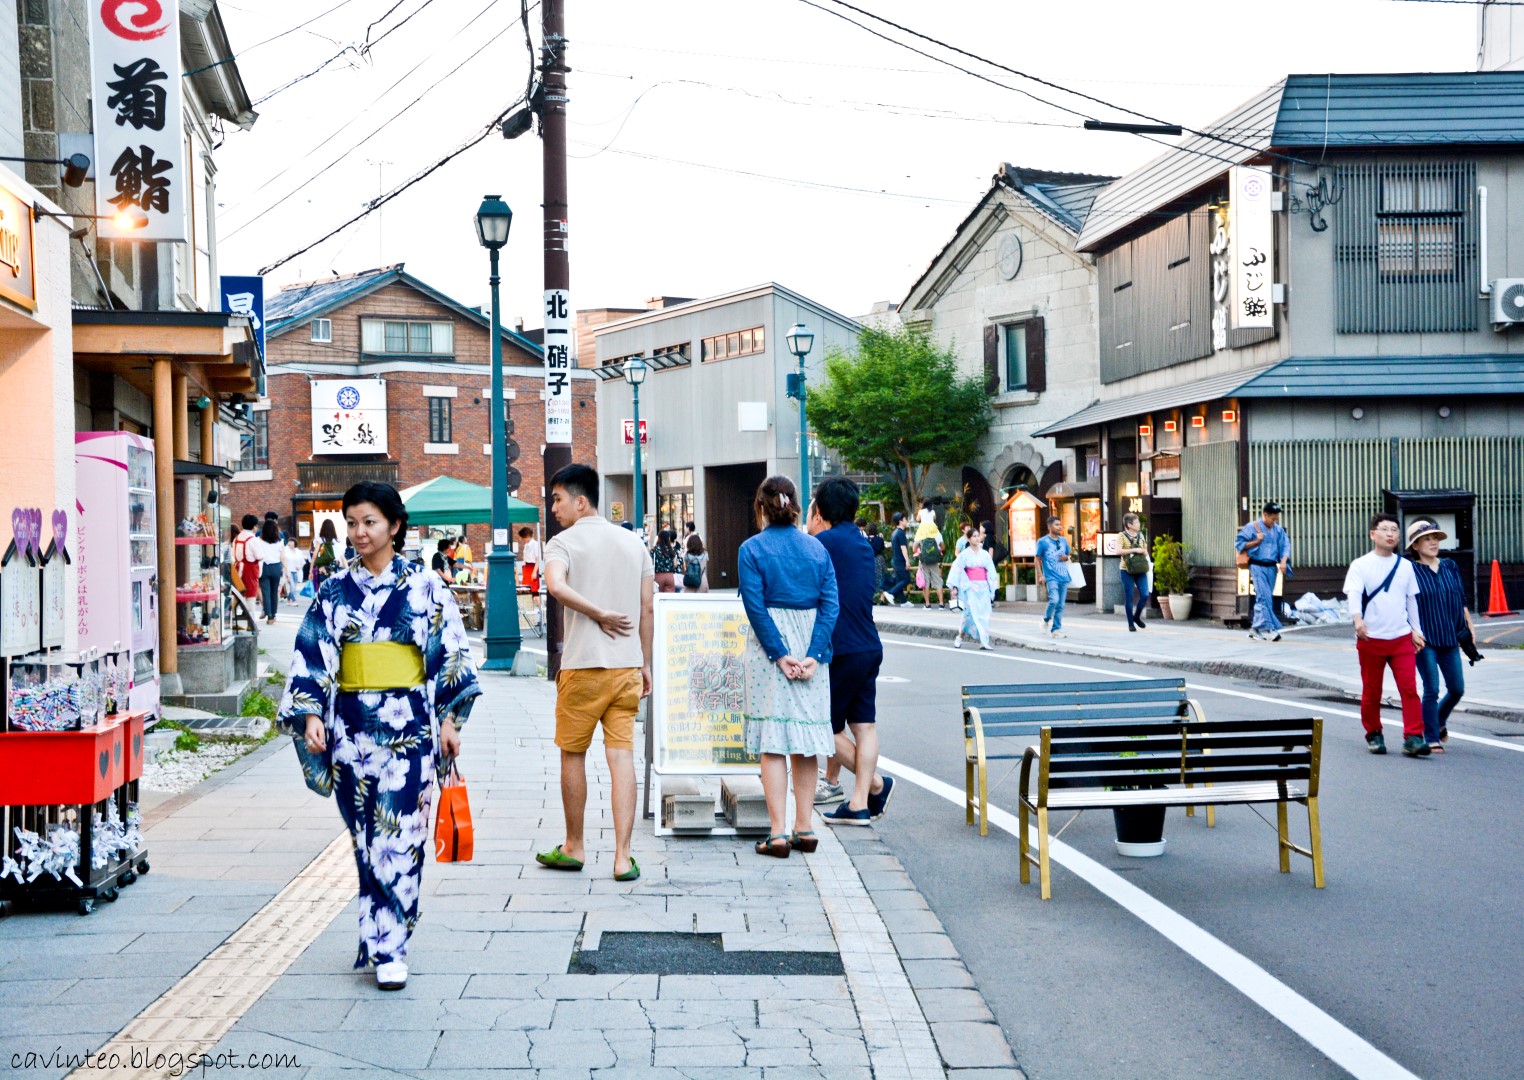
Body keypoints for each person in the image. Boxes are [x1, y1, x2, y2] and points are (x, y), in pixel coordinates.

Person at [277, 481, 480, 991]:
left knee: (401, 835)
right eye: (351, 522)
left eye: (369, 521)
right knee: (366, 839)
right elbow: (312, 654)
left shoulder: (427, 587)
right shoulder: (332, 591)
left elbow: (450, 655)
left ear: (394, 525)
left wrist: (450, 721)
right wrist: (310, 716)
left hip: (407, 731)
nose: (359, 532)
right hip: (349, 730)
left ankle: (390, 946)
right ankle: (381, 934)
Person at [538, 464, 652, 882]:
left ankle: (574, 846)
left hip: (583, 666)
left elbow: (555, 587)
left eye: (558, 499)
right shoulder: (633, 543)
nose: (554, 509)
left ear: (580, 501)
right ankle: (623, 858)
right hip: (625, 668)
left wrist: (596, 612)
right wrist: (646, 664)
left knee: (573, 754)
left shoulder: (561, 544)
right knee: (621, 756)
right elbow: (647, 608)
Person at [738, 475, 838, 858]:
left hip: (771, 650)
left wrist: (780, 654)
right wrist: (814, 653)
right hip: (812, 643)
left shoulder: (751, 549)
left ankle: (777, 832)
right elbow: (831, 604)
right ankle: (806, 827)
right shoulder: (817, 550)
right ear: (797, 505)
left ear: (761, 507)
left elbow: (755, 605)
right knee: (807, 740)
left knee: (773, 742)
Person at [807, 478, 893, 825]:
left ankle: (873, 784)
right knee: (864, 727)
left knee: (821, 726)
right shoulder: (861, 543)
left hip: (839, 648)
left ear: (822, 509)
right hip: (869, 645)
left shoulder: (821, 543)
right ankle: (859, 802)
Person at [1344, 513, 1427, 758]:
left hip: (1401, 637)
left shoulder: (1405, 566)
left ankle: (1413, 737)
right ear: (1373, 534)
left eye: (1394, 530)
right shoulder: (1361, 565)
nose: (1391, 534)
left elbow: (1411, 599)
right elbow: (1354, 594)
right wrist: (1357, 620)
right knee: (1372, 690)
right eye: (1385, 529)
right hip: (1371, 638)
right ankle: (1374, 733)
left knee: (1409, 687)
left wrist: (1416, 629)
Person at [1406, 518, 1473, 753]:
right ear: (1415, 545)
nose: (1433, 542)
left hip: (1450, 637)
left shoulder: (1450, 566)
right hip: (1425, 639)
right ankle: (1431, 736)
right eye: (1426, 539)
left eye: (1435, 538)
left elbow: (1461, 599)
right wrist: (1412, 631)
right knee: (1431, 688)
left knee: (1457, 688)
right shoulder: (1410, 571)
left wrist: (1469, 627)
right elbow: (1405, 603)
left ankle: (1439, 721)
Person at [1237, 501, 1291, 642]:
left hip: (1272, 567)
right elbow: (1239, 543)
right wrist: (1255, 542)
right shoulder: (1252, 527)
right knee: (1264, 597)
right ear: (1265, 515)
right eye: (1272, 519)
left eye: (1276, 519)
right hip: (1257, 566)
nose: (1274, 522)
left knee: (1264, 598)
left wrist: (1284, 561)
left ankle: (1254, 629)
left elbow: (1285, 546)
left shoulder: (1278, 530)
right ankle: (1271, 629)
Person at [948, 525, 998, 650]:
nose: (976, 538)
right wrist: (955, 587)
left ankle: (984, 641)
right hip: (970, 587)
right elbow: (957, 570)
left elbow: (991, 570)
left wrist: (992, 586)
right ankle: (960, 636)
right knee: (968, 614)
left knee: (984, 614)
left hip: (983, 587)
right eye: (974, 536)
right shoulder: (964, 554)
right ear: (969, 539)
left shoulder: (984, 554)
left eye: (978, 536)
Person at [1035, 515, 1072, 638]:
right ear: (1049, 526)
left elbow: (1068, 554)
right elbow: (1037, 559)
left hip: (1064, 576)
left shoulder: (1063, 540)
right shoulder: (1042, 541)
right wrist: (1040, 575)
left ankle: (1056, 629)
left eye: (1060, 524)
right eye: (1057, 525)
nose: (1060, 527)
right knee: (1054, 600)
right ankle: (1045, 620)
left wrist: (1066, 557)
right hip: (1051, 577)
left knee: (1061, 605)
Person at [1117, 513, 1150, 632]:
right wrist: (1135, 549)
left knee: (1145, 594)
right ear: (1129, 525)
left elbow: (1144, 549)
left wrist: (1145, 552)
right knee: (1130, 596)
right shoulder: (1121, 535)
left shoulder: (1141, 535)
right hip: (1126, 569)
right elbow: (1118, 551)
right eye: (1136, 523)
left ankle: (1136, 617)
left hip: (1140, 568)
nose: (1139, 524)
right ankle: (1130, 623)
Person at [251, 518, 284, 625]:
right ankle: (273, 615)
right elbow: (282, 557)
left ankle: (269, 615)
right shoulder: (280, 542)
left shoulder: (258, 540)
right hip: (276, 567)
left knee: (266, 592)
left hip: (263, 567)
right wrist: (285, 570)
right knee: (274, 592)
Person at [883, 512, 913, 607]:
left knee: (899, 580)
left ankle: (903, 602)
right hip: (900, 561)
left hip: (895, 560)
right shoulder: (900, 533)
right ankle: (890, 592)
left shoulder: (895, 532)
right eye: (905, 519)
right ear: (900, 521)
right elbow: (903, 548)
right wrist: (907, 561)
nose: (907, 521)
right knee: (906, 579)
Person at [232, 514, 261, 600]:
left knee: (237, 594)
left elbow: (234, 554)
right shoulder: (253, 539)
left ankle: (233, 613)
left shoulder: (236, 538)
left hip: (237, 568)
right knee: (250, 595)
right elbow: (259, 556)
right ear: (254, 526)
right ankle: (250, 613)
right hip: (250, 570)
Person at [312, 518, 343, 587]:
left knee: (323, 586)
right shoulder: (337, 541)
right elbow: (342, 557)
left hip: (323, 567)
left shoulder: (320, 540)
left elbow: (315, 556)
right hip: (335, 566)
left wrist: (310, 570)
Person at [651, 528, 683, 593]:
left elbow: (651, 563)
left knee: (658, 596)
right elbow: (675, 564)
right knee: (669, 598)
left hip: (658, 576)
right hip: (670, 576)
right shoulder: (671, 550)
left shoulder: (654, 550)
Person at [281, 538, 308, 604]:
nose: (290, 543)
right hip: (288, 571)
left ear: (295, 543)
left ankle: (289, 598)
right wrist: (285, 571)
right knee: (292, 586)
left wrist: (300, 567)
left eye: (291, 542)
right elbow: (283, 561)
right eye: (289, 542)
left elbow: (303, 562)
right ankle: (294, 600)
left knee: (293, 587)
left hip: (297, 572)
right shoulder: (285, 551)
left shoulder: (299, 552)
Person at [518, 527, 541, 593]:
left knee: (534, 590)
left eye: (523, 537)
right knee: (525, 589)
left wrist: (534, 572)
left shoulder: (535, 544)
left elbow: (538, 559)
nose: (522, 539)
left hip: (532, 567)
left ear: (527, 536)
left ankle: (538, 603)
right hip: (527, 568)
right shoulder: (526, 545)